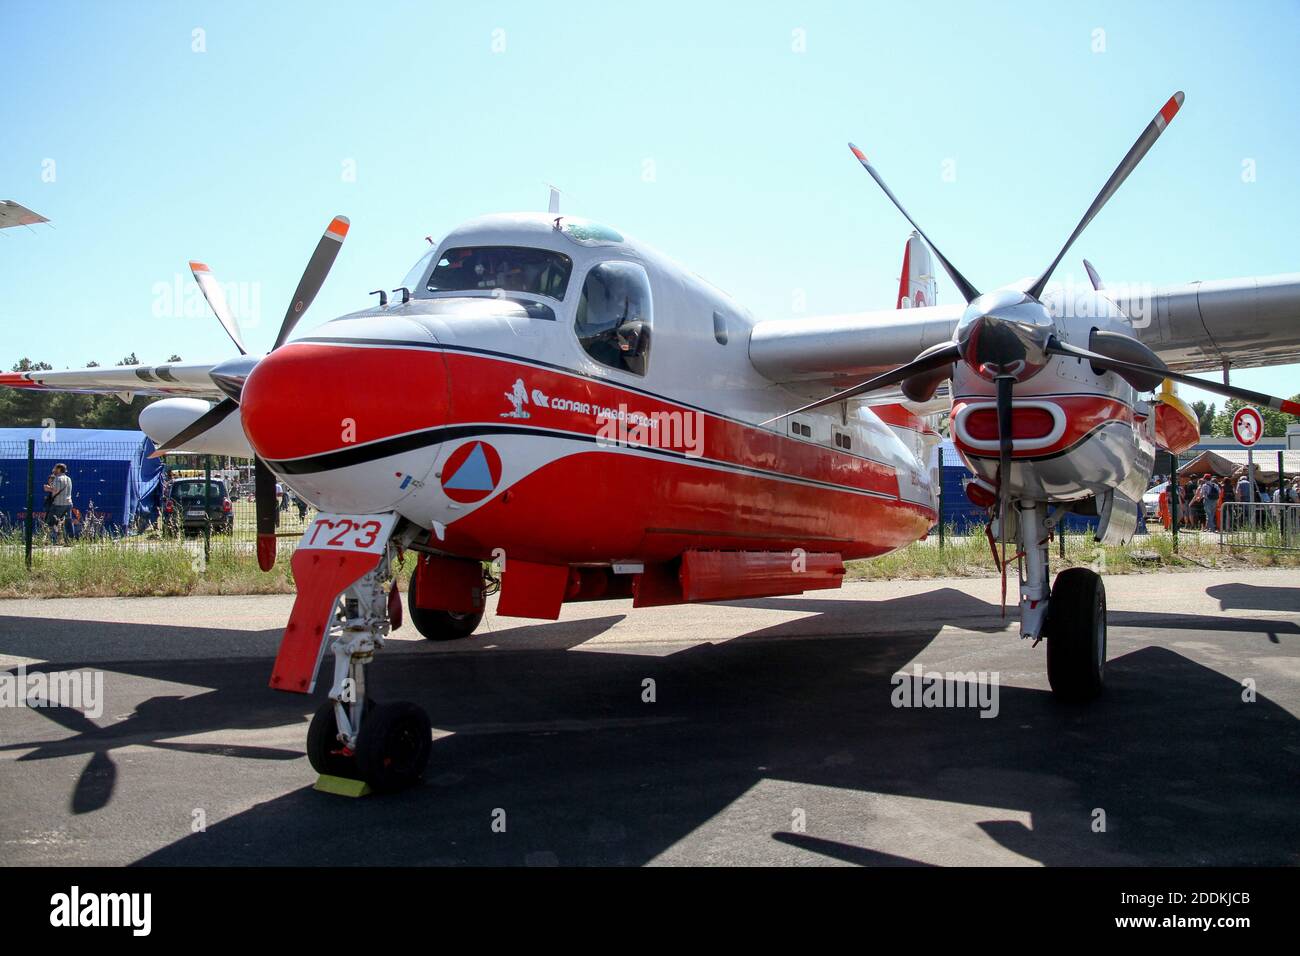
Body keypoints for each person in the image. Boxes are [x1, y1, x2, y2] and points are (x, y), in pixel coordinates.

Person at [43, 463, 73, 545]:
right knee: (68, 523)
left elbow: (55, 490)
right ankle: (69, 541)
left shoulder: (57, 478)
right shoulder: (68, 478)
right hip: (69, 504)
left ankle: (47, 541)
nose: (53, 470)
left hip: (58, 504)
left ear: (59, 469)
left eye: (55, 468)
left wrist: (47, 488)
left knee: (49, 523)